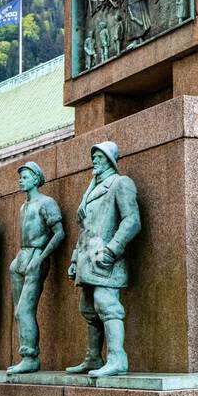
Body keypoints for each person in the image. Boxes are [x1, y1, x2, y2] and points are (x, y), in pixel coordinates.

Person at [66, 142, 141, 378]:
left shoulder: (120, 183)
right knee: (87, 308)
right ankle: (93, 357)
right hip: (88, 258)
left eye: (99, 157)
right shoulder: (90, 191)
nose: (94, 161)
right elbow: (85, 229)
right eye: (93, 157)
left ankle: (117, 358)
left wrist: (112, 250)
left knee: (106, 304)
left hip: (107, 257)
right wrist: (75, 259)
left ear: (110, 159)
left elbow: (132, 220)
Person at [9, 161, 65, 374]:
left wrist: (40, 258)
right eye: (19, 177)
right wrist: (16, 261)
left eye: (25, 176)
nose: (20, 180)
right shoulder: (23, 206)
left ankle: (30, 356)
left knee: (24, 310)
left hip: (36, 255)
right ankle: (25, 356)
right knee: (17, 312)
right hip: (20, 258)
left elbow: (59, 233)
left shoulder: (47, 202)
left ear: (35, 178)